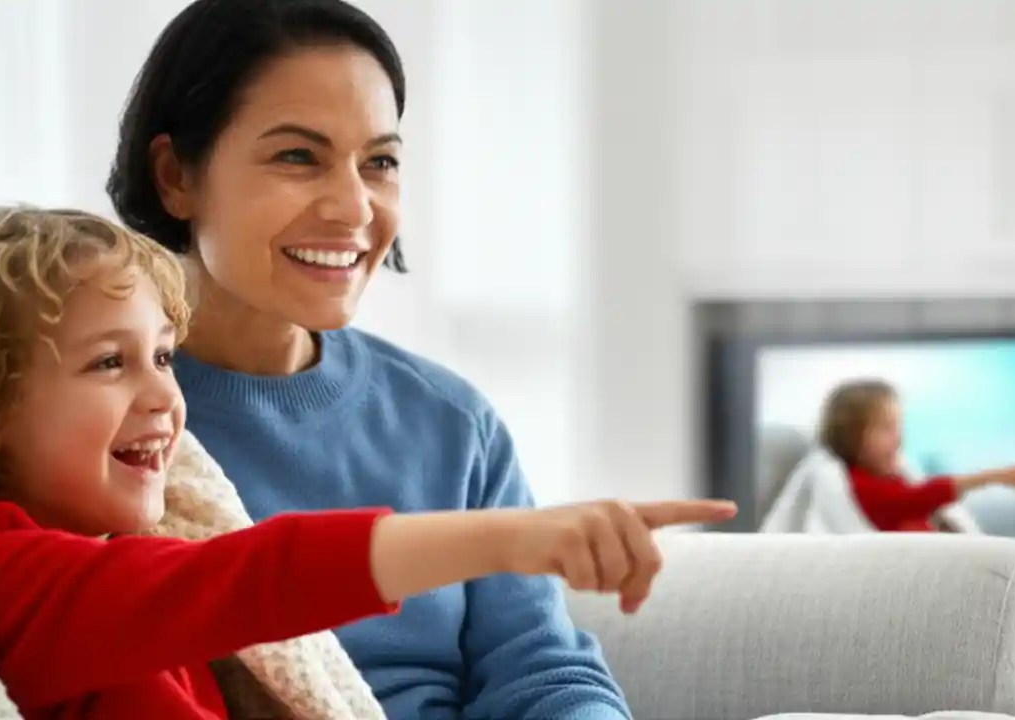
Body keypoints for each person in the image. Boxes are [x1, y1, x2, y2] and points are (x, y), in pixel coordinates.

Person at [0, 206, 736, 720]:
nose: (163, 396)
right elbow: (256, 576)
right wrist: (510, 538)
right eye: (109, 363)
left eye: (163, 356)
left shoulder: (118, 564)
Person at [104, 1, 684, 717]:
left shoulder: (450, 421)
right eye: (298, 157)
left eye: (378, 163)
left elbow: (541, 672)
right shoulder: (108, 421)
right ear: (175, 176)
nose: (354, 208)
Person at [819, 379, 1015, 532]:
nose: (899, 438)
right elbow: (918, 498)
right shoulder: (861, 487)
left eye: (898, 426)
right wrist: (995, 477)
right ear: (852, 436)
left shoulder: (891, 478)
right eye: (887, 428)